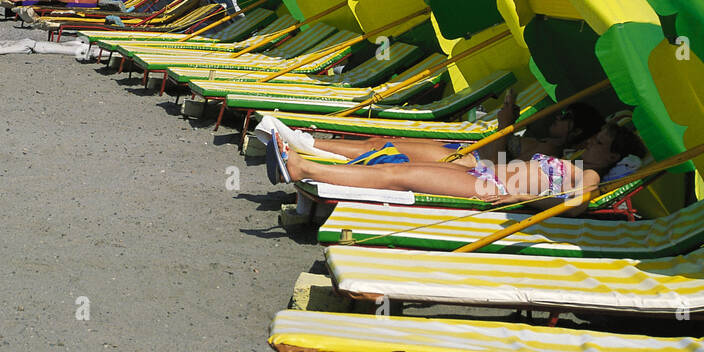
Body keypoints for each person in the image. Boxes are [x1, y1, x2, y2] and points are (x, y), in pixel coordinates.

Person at [273, 112, 646, 209]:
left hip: (490, 188)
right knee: (396, 164)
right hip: (483, 173)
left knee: (397, 176)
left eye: (600, 142)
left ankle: (303, 167)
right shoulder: (575, 162)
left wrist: (521, 199)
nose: (592, 144)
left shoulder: (592, 178)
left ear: (614, 156)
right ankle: (307, 156)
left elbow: (575, 207)